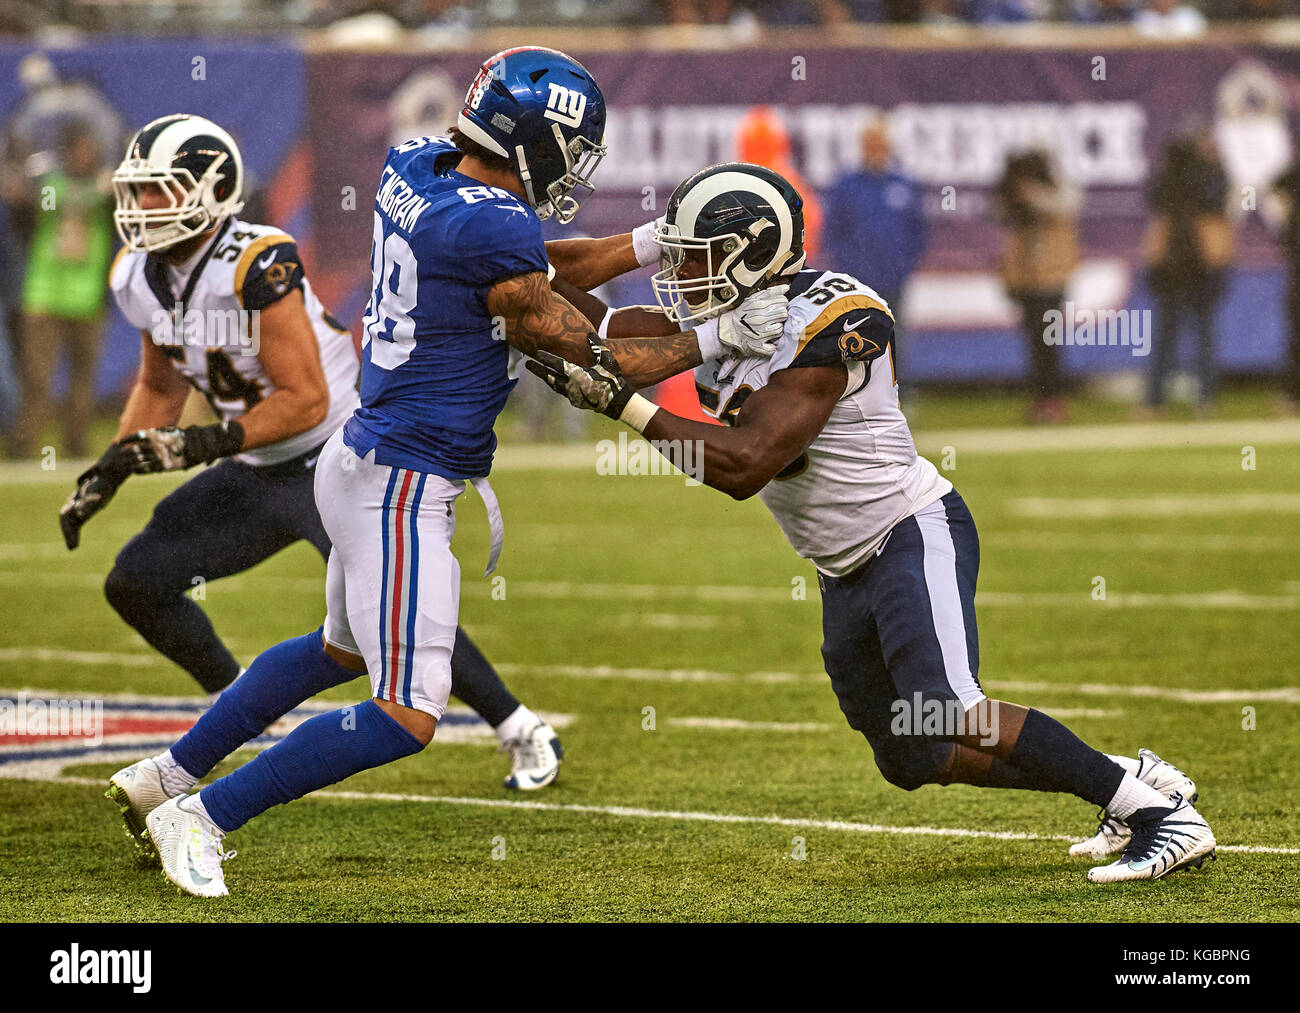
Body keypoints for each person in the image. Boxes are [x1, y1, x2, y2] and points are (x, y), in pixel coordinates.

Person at [111, 51, 788, 897]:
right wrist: (718, 337)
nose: (574, 167)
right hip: (402, 479)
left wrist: (650, 244)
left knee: (335, 651)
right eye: (570, 147)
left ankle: (160, 777)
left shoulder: (421, 164)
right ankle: (201, 816)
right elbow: (591, 350)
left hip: (362, 457)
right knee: (408, 711)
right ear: (533, 136)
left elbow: (526, 267)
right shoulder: (488, 225)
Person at [530, 162, 1217, 884]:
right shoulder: (727, 311)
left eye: (697, 255)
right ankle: (1124, 777)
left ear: (749, 255)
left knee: (950, 706)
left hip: (906, 531)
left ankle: (1160, 817)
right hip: (839, 567)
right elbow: (568, 300)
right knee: (913, 754)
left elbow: (743, 464)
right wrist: (642, 242)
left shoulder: (835, 317)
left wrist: (624, 407)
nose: (683, 272)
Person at [58, 113, 562, 826]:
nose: (142, 209)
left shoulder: (256, 261)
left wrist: (195, 447)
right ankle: (229, 714)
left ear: (214, 189)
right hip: (256, 464)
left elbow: (304, 400)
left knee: (392, 621)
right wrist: (112, 466)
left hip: (332, 452)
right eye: (137, 193)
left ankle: (518, 726)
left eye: (160, 192)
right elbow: (162, 385)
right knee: (139, 581)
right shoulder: (138, 273)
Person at [10, 125, 115, 457]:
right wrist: (101, 189)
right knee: (38, 380)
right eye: (79, 149)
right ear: (67, 151)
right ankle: (23, 446)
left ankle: (76, 446)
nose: (85, 155)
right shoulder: (51, 185)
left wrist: (116, 188)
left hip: (88, 299)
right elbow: (54, 204)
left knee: (82, 382)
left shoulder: (107, 191)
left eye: (89, 149)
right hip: (45, 297)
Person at [1143, 127, 1232, 414]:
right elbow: (1154, 197)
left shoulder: (1212, 175)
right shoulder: (1173, 179)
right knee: (1169, 335)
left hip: (1200, 266)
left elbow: (1217, 198)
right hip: (1174, 266)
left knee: (1201, 334)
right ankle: (1157, 400)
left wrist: (1206, 164)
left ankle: (1203, 398)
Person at [994, 150, 1079, 424]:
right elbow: (997, 208)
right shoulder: (1018, 207)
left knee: (1049, 341)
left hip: (1052, 279)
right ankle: (1040, 400)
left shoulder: (1055, 190)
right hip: (1027, 279)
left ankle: (1053, 400)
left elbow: (1066, 205)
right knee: (1034, 342)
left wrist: (1033, 192)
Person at [821, 119, 927, 320]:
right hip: (855, 282)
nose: (875, 150)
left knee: (893, 337)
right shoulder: (847, 185)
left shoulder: (903, 184)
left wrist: (905, 264)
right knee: (855, 337)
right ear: (862, 147)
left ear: (889, 147)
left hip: (894, 279)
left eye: (879, 144)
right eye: (870, 144)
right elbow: (833, 231)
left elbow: (917, 230)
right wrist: (847, 266)